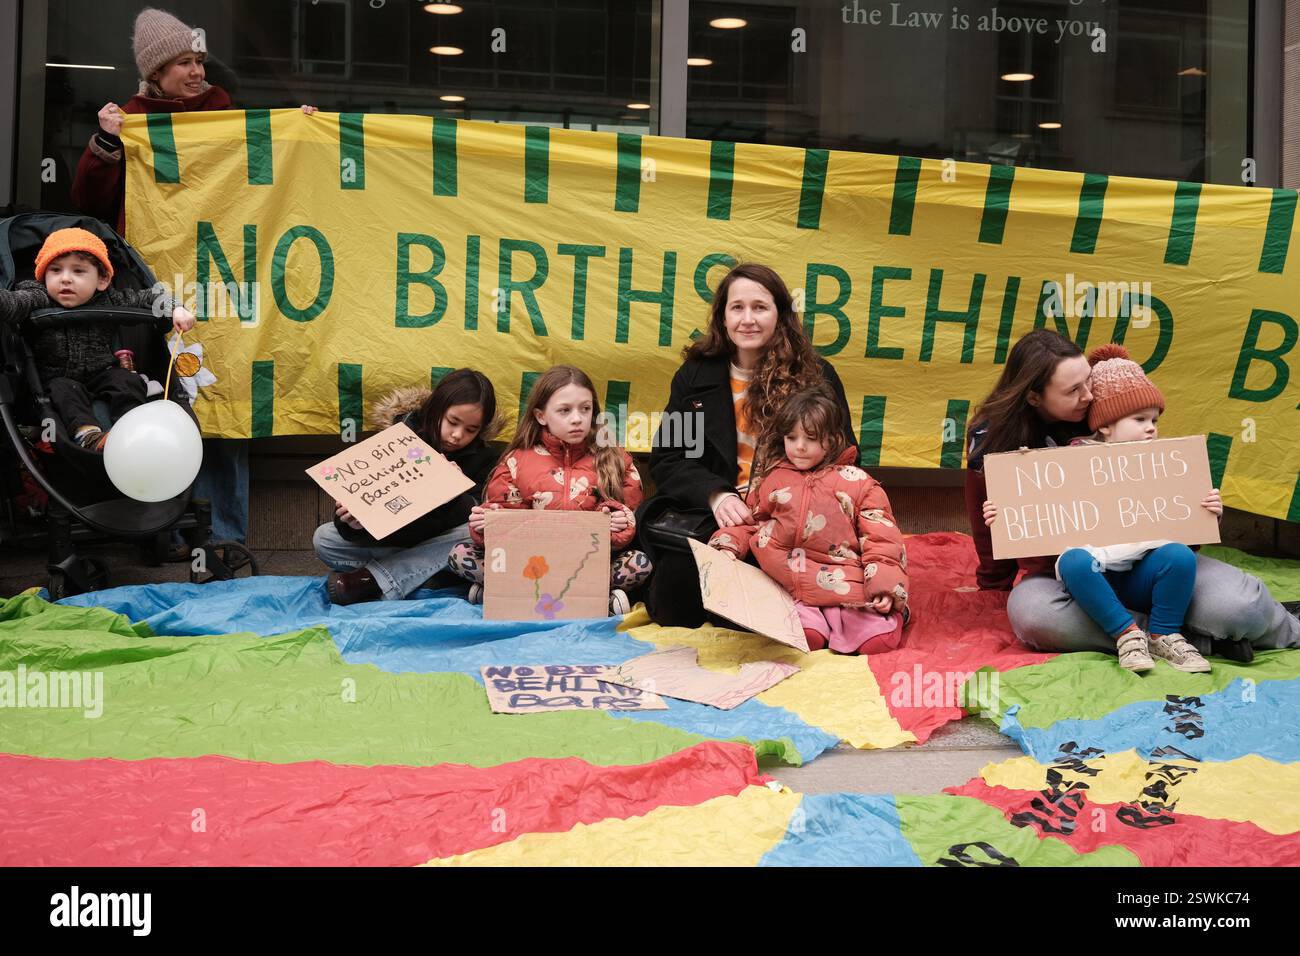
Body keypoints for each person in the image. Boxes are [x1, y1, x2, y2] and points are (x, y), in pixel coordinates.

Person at [71, 7, 316, 545]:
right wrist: (108, 145)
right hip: (150, 291)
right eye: (184, 62)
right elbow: (90, 206)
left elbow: (267, 170)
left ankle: (223, 534)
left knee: (222, 402)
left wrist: (299, 133)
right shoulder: (131, 120)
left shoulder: (225, 114)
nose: (197, 71)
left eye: (200, 60)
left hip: (222, 290)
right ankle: (166, 533)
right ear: (156, 73)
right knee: (162, 403)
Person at [966, 329, 1300, 659]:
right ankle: (1189, 642)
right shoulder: (990, 438)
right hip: (1072, 576)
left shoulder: (1109, 409)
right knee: (1033, 615)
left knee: (1239, 607)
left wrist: (1198, 511)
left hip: (1151, 563)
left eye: (1088, 380)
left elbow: (1158, 500)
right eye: (1073, 390)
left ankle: (1270, 628)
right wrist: (1000, 551)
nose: (1087, 395)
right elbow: (986, 528)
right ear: (1034, 397)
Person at [639, 262, 856, 627]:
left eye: (760, 307)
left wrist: (788, 499)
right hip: (712, 518)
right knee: (675, 606)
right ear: (723, 317)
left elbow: (846, 458)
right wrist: (716, 495)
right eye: (737, 307)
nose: (748, 319)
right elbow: (669, 458)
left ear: (781, 315)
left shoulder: (815, 376)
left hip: (789, 520)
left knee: (755, 615)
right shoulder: (696, 375)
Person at [983, 345, 1220, 672]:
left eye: (1154, 420)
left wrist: (1203, 511)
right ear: (1105, 427)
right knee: (1073, 563)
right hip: (1089, 575)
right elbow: (1038, 524)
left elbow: (1179, 531)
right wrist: (1007, 517)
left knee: (1180, 556)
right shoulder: (1068, 456)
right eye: (1140, 419)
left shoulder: (1166, 462)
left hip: (1143, 572)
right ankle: (1127, 634)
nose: (1087, 396)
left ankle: (1165, 633)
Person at [708, 387, 909, 653]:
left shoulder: (859, 484)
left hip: (847, 588)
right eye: (792, 437)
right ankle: (817, 623)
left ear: (833, 439)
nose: (799, 446)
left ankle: (885, 617)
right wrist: (727, 544)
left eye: (811, 438)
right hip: (791, 589)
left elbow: (883, 540)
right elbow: (750, 521)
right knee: (804, 639)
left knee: (877, 642)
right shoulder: (772, 479)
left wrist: (885, 588)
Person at [447, 365, 651, 616]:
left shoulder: (616, 458)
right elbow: (503, 516)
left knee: (639, 564)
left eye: (585, 409)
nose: (577, 418)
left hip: (587, 565)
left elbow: (632, 512)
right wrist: (486, 522)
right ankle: (595, 602)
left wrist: (620, 520)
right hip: (529, 565)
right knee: (460, 554)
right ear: (541, 416)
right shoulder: (517, 460)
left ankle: (507, 594)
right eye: (564, 410)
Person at [315, 369, 500, 605]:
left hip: (444, 541)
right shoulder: (399, 438)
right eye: (453, 422)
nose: (457, 435)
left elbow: (477, 516)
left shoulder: (485, 459)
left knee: (471, 532)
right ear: (436, 410)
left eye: (471, 430)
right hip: (400, 544)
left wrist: (454, 491)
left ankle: (374, 579)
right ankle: (424, 575)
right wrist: (352, 522)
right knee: (324, 539)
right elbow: (367, 496)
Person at [0, 227, 195, 450]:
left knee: (126, 380)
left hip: (102, 373)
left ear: (102, 280)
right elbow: (13, 304)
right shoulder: (38, 296)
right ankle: (89, 436)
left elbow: (152, 296)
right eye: (55, 270)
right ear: (44, 277)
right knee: (63, 390)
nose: (65, 279)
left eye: (78, 271)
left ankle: (131, 427)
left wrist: (176, 309)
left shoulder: (110, 299)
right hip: (55, 379)